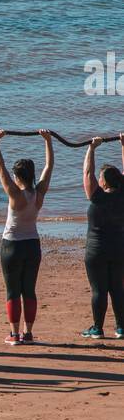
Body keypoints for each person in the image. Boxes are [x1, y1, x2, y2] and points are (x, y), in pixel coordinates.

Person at [0, 129, 53, 345]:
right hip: (32, 246)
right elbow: (49, 167)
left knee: (13, 290)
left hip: (12, 246)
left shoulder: (15, 194)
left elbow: (0, 169)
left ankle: (14, 334)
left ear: (17, 177)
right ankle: (28, 334)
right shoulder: (39, 192)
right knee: (28, 290)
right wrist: (48, 142)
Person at [80, 134, 124, 339]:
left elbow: (87, 171)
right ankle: (121, 327)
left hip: (96, 251)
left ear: (104, 182)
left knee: (99, 290)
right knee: (117, 288)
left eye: (101, 177)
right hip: (118, 249)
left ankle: (97, 328)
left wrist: (92, 148)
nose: (97, 179)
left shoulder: (96, 197)